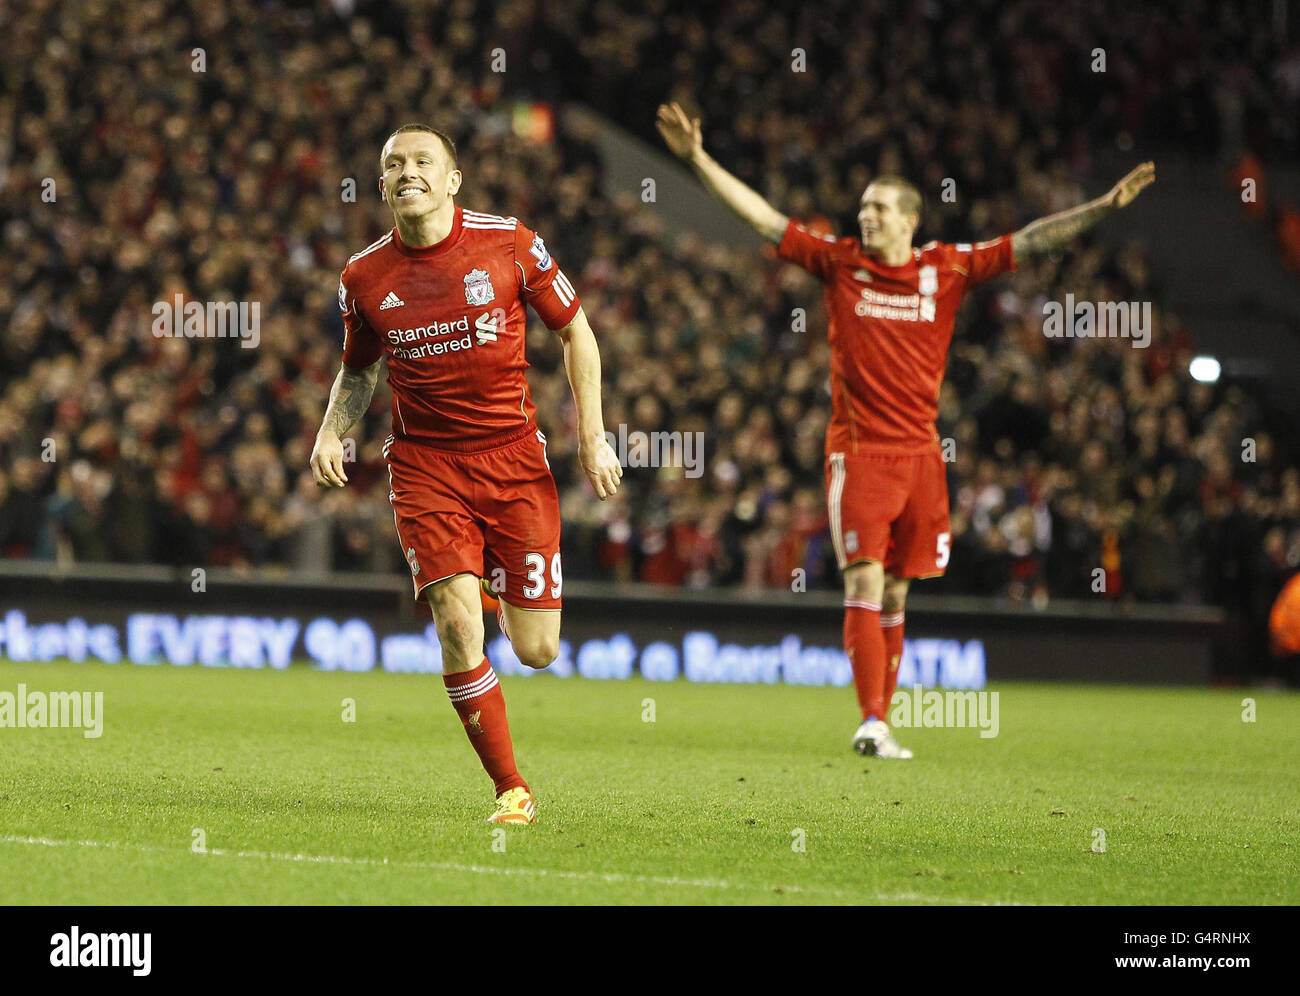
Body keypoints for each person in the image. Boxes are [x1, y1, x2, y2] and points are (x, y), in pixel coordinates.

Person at [657, 101, 1154, 758]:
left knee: (896, 591)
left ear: (910, 220)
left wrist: (1101, 208)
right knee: (864, 580)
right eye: (864, 207)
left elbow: (1029, 240)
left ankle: (882, 722)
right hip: (860, 455)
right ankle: (870, 720)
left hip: (921, 457)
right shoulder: (838, 262)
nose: (867, 217)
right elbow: (762, 218)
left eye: (880, 209)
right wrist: (697, 159)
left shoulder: (945, 268)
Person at [311, 124, 622, 820]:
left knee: (538, 649)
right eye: (393, 163)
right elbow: (357, 369)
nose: (406, 171)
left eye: (423, 161)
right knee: (455, 624)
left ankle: (482, 577)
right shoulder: (362, 277)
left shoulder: (508, 241)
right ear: (383, 183)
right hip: (425, 466)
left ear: (453, 179)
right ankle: (512, 787)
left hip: (513, 460)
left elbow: (576, 331)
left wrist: (594, 438)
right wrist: (333, 430)